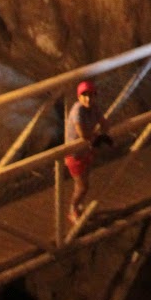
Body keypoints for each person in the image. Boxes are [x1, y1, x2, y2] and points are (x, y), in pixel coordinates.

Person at [63, 78, 111, 224]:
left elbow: (104, 123)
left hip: (86, 150)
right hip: (75, 154)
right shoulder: (77, 110)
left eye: (91, 95)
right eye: (85, 95)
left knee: (83, 183)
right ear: (79, 97)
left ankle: (78, 207)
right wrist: (97, 137)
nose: (88, 99)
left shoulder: (94, 108)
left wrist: (101, 133)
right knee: (83, 186)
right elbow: (82, 133)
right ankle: (72, 210)